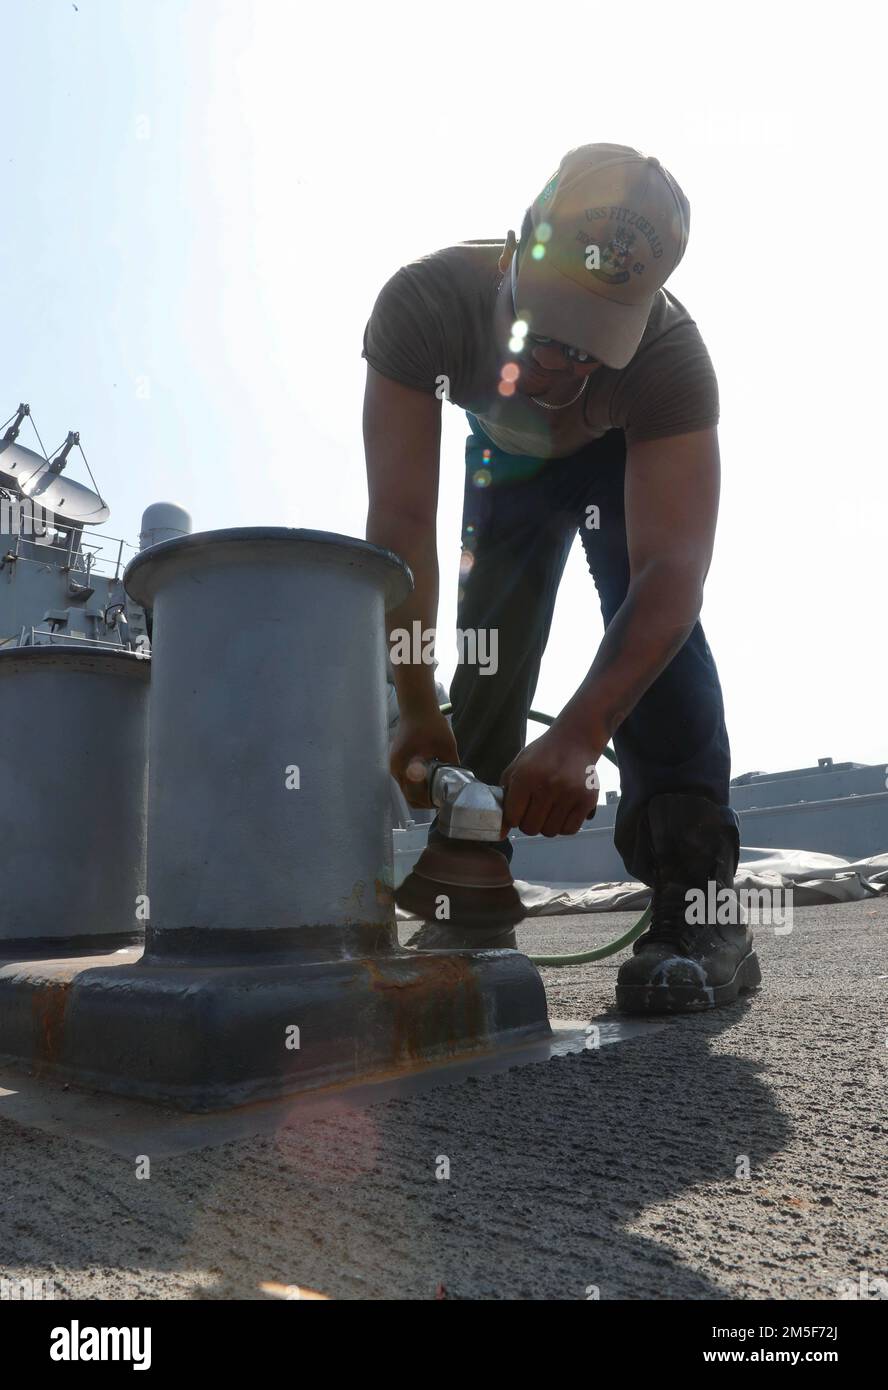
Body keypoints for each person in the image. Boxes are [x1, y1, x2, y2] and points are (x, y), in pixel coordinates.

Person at [362, 143, 760, 1014]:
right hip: (505, 465)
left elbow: (671, 577)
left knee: (654, 636)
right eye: (542, 337)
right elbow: (399, 531)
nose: (555, 372)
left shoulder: (669, 364)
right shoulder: (426, 305)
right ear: (515, 253)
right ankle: (469, 879)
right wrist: (417, 705)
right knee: (490, 649)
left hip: (619, 461)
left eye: (589, 353)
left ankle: (699, 905)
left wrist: (582, 733)